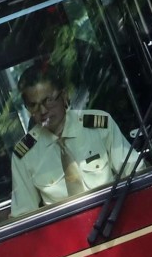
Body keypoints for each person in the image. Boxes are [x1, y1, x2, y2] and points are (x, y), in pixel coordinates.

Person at [9, 62, 137, 217]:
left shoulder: (99, 126)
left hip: (113, 216)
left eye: (48, 100)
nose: (42, 111)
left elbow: (135, 172)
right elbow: (24, 216)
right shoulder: (25, 155)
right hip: (66, 234)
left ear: (64, 96)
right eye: (33, 106)